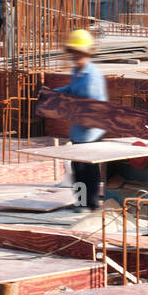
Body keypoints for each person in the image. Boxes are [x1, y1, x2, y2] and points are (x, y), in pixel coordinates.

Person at [55, 29, 108, 210]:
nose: (76, 57)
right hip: (79, 130)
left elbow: (91, 107)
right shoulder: (77, 71)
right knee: (78, 168)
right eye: (74, 54)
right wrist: (56, 94)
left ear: (87, 53)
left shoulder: (91, 76)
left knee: (88, 169)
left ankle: (89, 203)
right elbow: (72, 89)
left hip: (90, 131)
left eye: (79, 54)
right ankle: (81, 201)